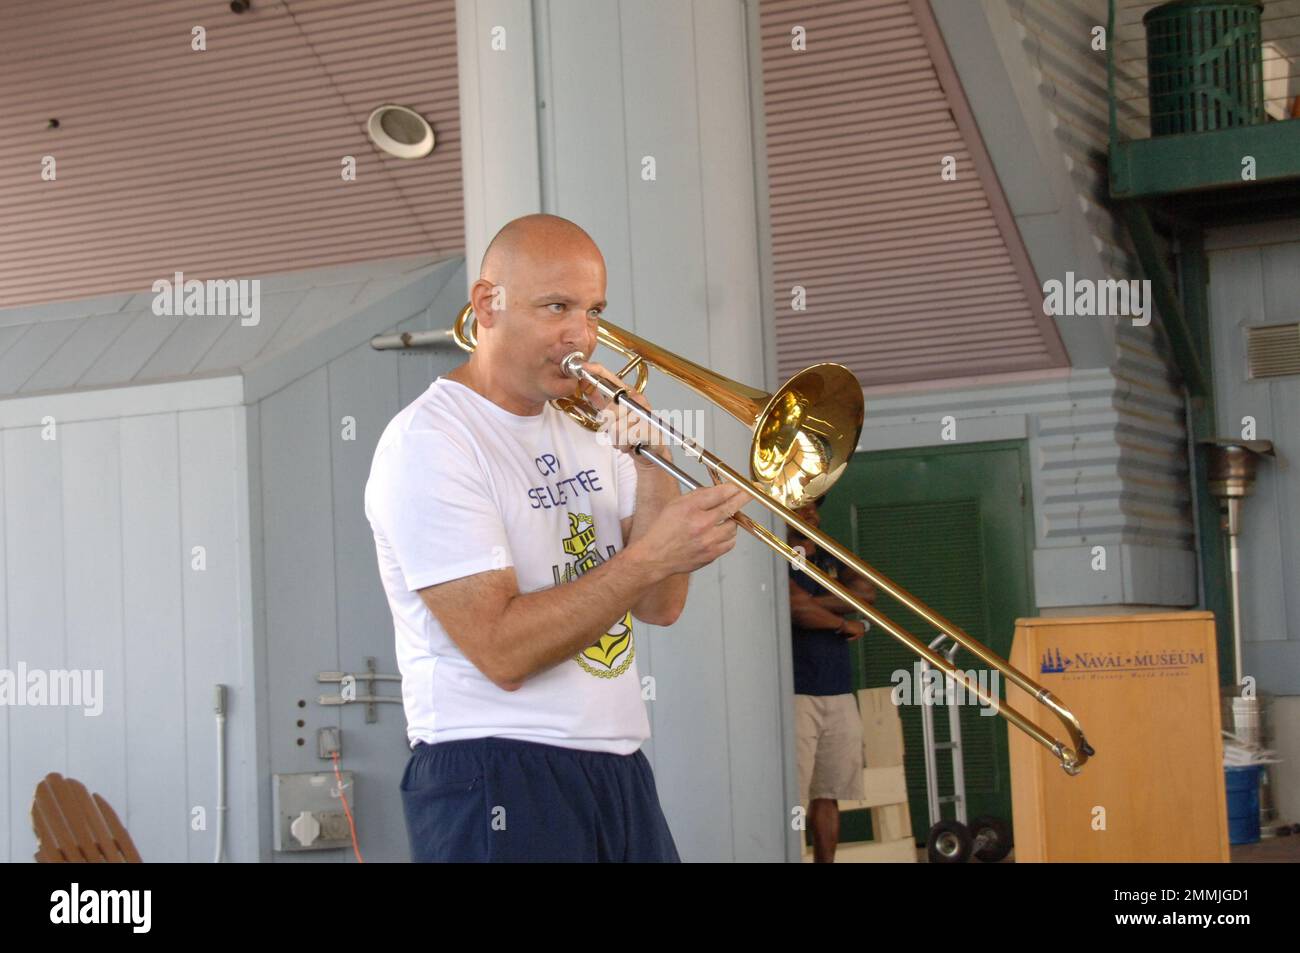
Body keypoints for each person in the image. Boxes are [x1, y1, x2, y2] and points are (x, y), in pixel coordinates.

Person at [364, 213, 749, 862]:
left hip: (616, 761)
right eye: (557, 307)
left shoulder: (585, 430)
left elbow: (660, 605)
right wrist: (649, 555)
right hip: (491, 762)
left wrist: (654, 464)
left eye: (594, 311)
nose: (584, 336)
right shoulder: (431, 441)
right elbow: (502, 651)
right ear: (488, 304)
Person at [788, 497, 878, 862]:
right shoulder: (774, 550)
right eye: (801, 507)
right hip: (795, 692)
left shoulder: (827, 556)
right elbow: (795, 609)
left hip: (838, 691)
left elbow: (867, 594)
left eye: (815, 506)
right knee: (795, 796)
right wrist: (843, 620)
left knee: (830, 792)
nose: (812, 512)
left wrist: (817, 602)